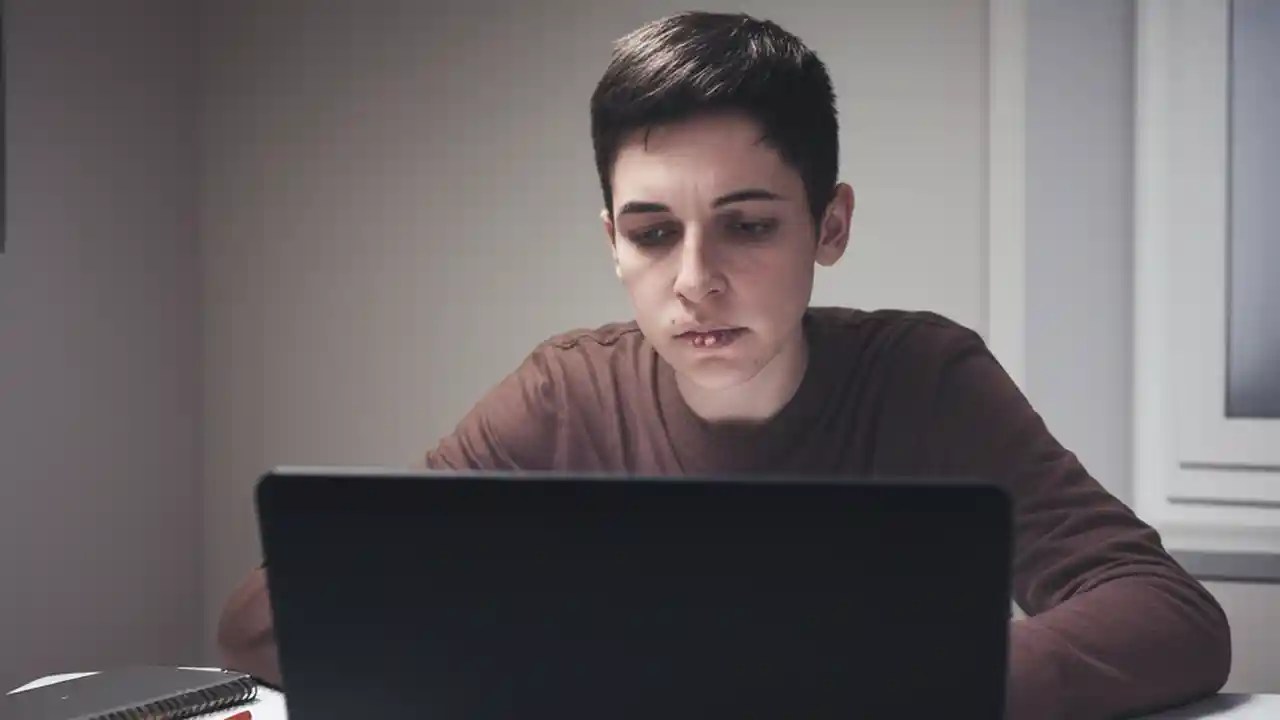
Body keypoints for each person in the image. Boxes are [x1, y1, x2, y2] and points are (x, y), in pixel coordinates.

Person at [216, 11, 1231, 718]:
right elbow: (265, 619)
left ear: (829, 226)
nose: (694, 281)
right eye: (653, 233)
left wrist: (904, 684)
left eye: (746, 225)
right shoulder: (564, 396)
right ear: (612, 242)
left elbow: (1168, 614)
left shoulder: (923, 378)